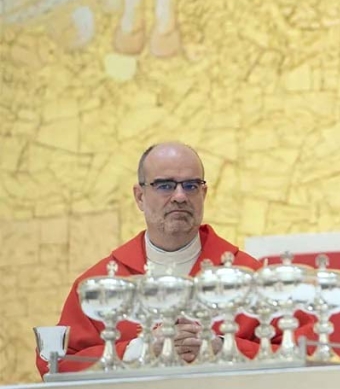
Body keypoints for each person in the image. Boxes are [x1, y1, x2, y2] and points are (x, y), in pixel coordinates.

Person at [37, 142, 313, 376]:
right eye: (165, 185)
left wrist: (220, 347)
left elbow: (306, 354)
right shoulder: (100, 283)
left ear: (203, 194)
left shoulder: (250, 275)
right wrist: (140, 349)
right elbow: (56, 366)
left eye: (191, 185)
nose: (180, 196)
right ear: (140, 196)